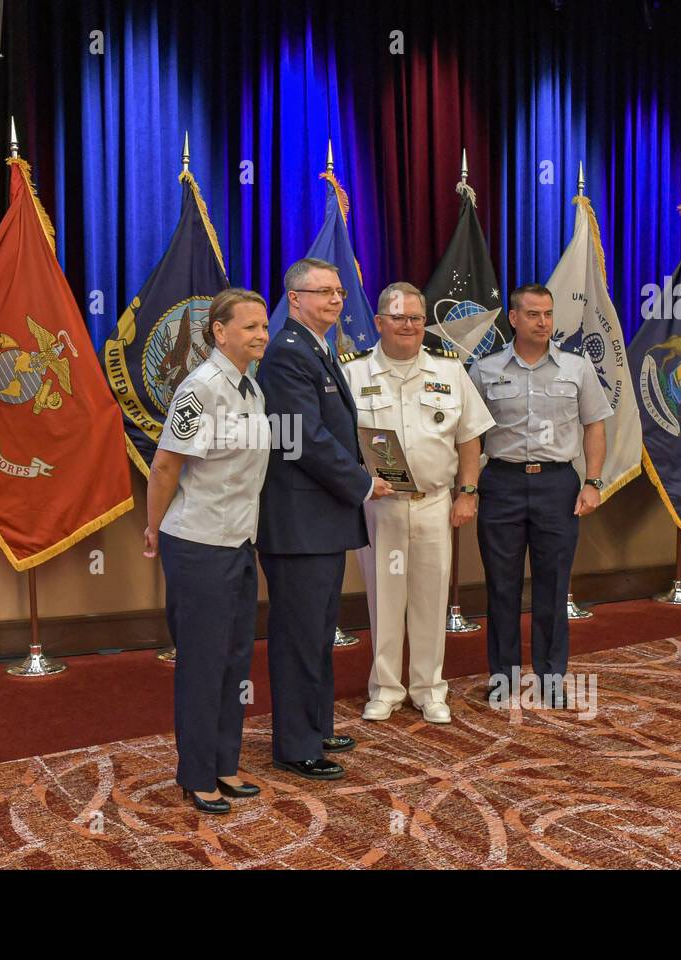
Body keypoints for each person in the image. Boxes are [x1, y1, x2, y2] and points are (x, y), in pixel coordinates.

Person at [256, 258, 393, 781]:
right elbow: (304, 438)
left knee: (318, 632)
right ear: (294, 298)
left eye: (339, 292)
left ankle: (314, 726)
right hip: (298, 521)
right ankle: (295, 745)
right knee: (299, 635)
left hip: (319, 518)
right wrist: (362, 481)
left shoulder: (317, 349)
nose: (336, 301)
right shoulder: (286, 355)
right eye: (323, 293)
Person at [341, 281, 494, 724]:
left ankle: (430, 689)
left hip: (434, 503)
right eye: (398, 318)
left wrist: (468, 493)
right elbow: (337, 445)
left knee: (431, 598)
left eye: (416, 318)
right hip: (380, 506)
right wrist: (360, 483)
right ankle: (386, 688)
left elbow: (470, 439)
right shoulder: (353, 374)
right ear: (379, 323)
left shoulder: (450, 371)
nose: (408, 326)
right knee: (384, 597)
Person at [144, 288, 272, 813]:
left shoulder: (251, 389)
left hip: (239, 541)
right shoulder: (199, 389)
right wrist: (153, 529)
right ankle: (196, 774)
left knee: (235, 660)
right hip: (198, 543)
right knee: (202, 662)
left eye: (264, 326)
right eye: (250, 327)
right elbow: (165, 466)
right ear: (219, 332)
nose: (262, 335)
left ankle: (224, 763)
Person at [468, 283, 612, 708]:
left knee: (553, 587)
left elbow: (595, 426)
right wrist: (469, 487)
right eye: (532, 314)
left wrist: (594, 481)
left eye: (548, 314)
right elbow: (469, 436)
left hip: (557, 486)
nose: (543, 322)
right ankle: (504, 678)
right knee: (501, 586)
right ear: (513, 318)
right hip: (502, 484)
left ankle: (551, 679)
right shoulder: (485, 370)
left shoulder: (577, 368)